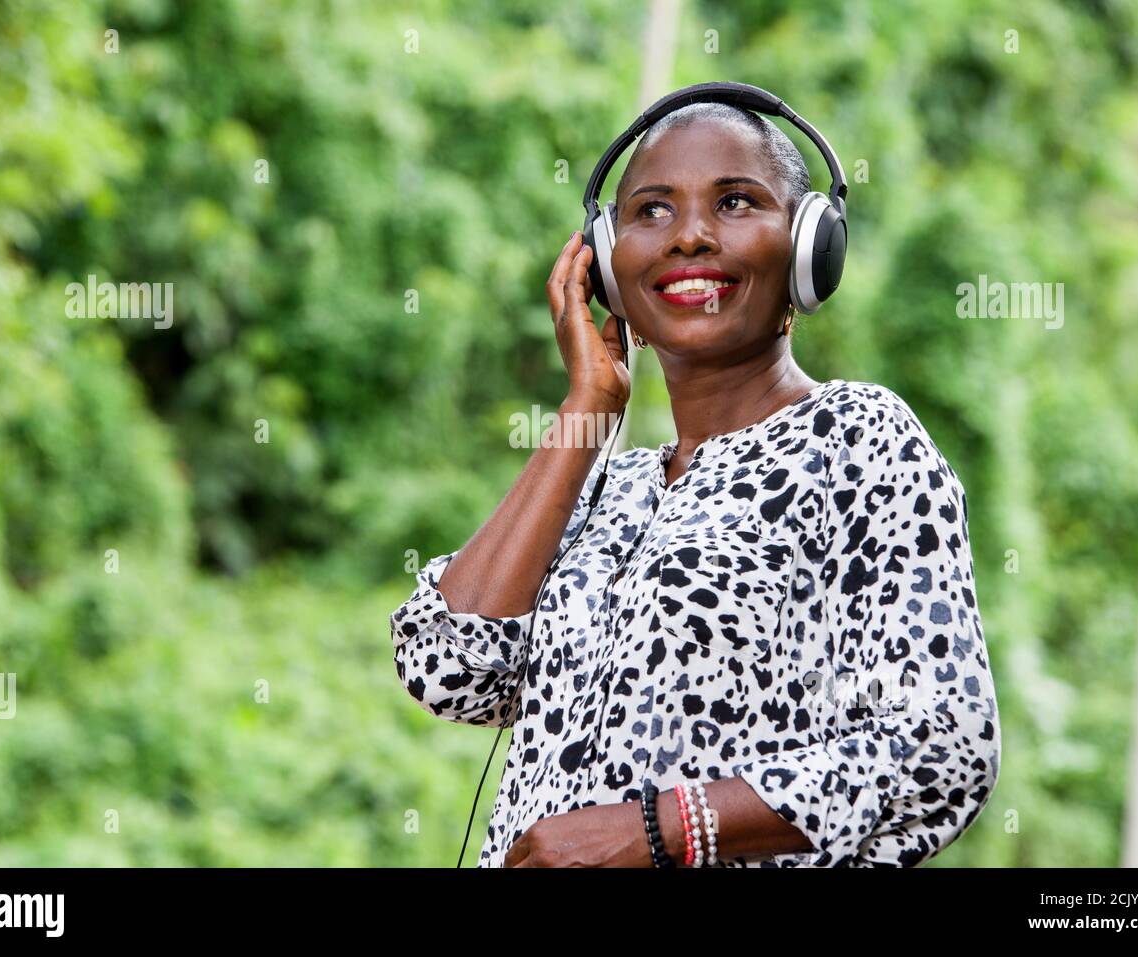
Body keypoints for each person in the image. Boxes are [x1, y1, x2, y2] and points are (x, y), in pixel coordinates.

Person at [389, 101, 1001, 867]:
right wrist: (587, 409)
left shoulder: (860, 438)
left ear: (812, 250)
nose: (689, 235)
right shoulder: (608, 489)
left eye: (736, 201)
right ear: (608, 266)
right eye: (652, 210)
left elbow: (941, 745)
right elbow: (447, 667)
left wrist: (656, 829)